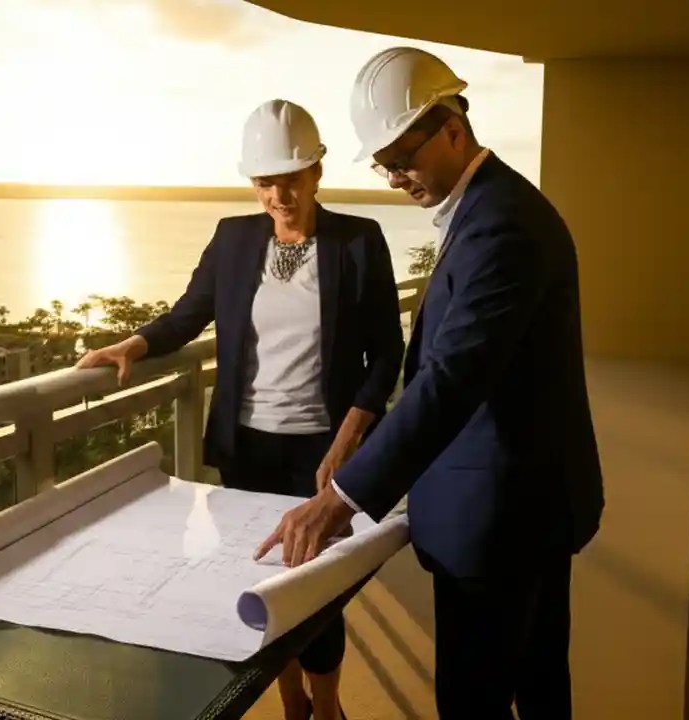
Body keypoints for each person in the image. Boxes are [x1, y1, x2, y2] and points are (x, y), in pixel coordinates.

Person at [254, 47, 606, 720]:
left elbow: (452, 377)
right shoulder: (490, 208)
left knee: (474, 702)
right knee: (538, 687)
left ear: (451, 126)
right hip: (526, 504)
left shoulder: (502, 226)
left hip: (501, 520)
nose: (391, 178)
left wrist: (342, 500)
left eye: (400, 159)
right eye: (382, 164)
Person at [76, 98, 404, 720]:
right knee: (256, 583)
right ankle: (290, 704)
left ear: (317, 172)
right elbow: (187, 314)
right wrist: (136, 343)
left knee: (316, 588)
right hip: (246, 448)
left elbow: (387, 356)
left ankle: (327, 707)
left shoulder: (359, 241)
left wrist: (347, 442)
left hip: (320, 451)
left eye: (291, 178)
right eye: (265, 182)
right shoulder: (233, 238)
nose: (279, 194)